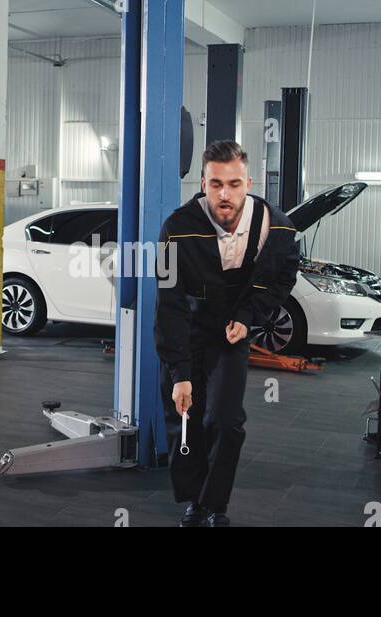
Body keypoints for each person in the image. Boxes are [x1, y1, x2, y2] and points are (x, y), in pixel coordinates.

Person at [154, 140, 300, 527]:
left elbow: (283, 276)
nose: (225, 193)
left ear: (248, 182)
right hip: (187, 326)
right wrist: (180, 372)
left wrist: (249, 315)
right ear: (203, 183)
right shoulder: (176, 228)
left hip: (232, 332)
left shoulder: (277, 226)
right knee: (184, 413)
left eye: (234, 184)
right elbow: (168, 302)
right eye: (216, 183)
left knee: (225, 420)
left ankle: (213, 506)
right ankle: (196, 500)